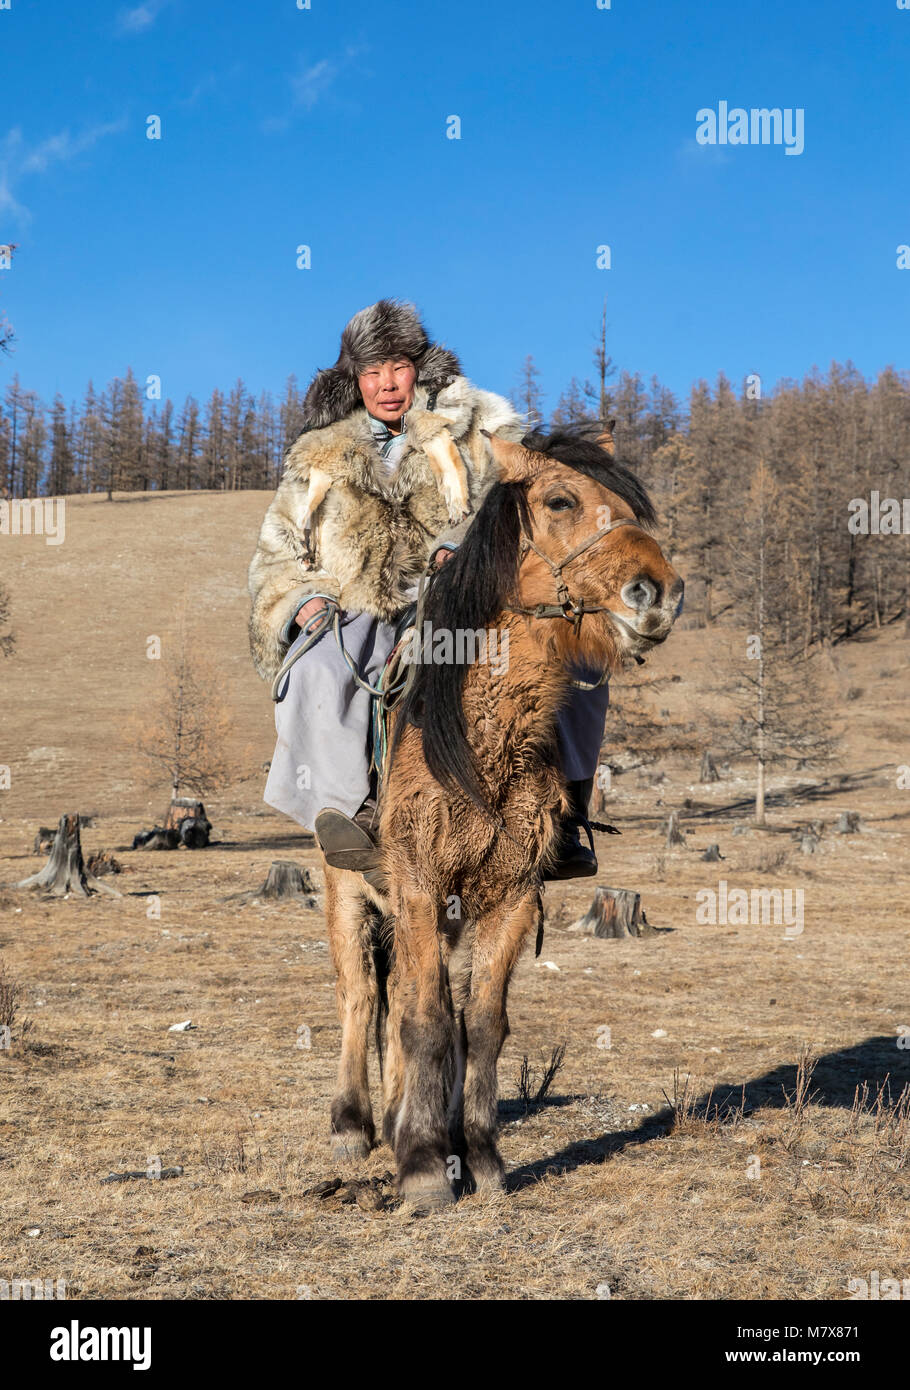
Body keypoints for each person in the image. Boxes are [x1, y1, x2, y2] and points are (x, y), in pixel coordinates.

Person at [248, 299, 610, 880]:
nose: (387, 384)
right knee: (318, 671)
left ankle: (564, 817)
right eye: (371, 372)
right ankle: (354, 812)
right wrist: (306, 601)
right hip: (362, 605)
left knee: (580, 661)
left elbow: (525, 495)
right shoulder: (317, 458)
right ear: (354, 379)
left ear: (420, 366)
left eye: (397, 366)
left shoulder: (477, 426)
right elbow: (280, 550)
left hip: (473, 598)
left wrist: (461, 542)